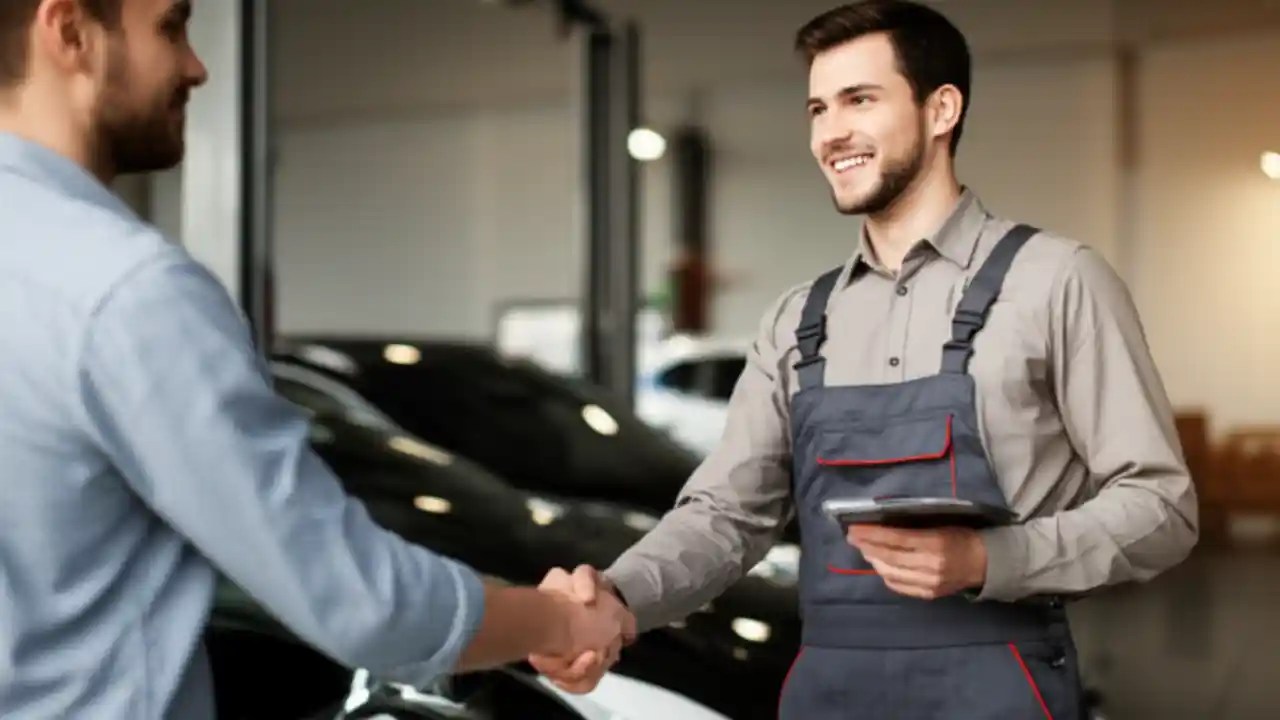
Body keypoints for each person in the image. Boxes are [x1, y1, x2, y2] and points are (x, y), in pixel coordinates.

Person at [532, 1, 1199, 717]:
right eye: (818, 107)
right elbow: (728, 515)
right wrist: (620, 598)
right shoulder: (797, 321)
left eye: (859, 99)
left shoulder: (1057, 281)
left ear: (941, 109)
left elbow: (1162, 508)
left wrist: (989, 560)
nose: (830, 132)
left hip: (998, 683)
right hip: (831, 689)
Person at [0, 1, 634, 717]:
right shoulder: (125, 290)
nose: (196, 66)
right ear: (70, 30)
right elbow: (362, 603)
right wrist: (560, 620)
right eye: (171, 28)